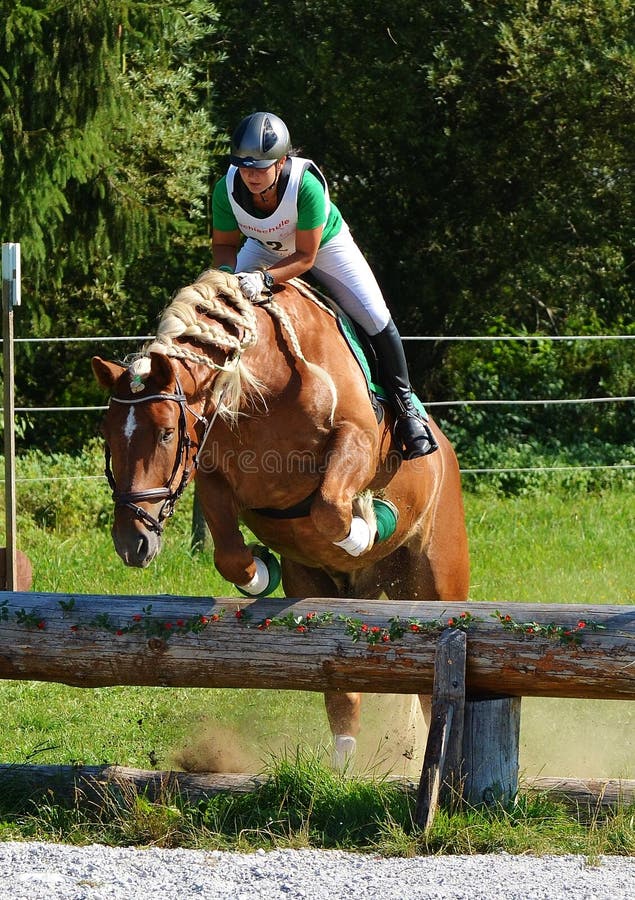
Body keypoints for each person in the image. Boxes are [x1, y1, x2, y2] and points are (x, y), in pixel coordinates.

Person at [211, 111, 438, 459]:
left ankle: (407, 411)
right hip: (262, 244)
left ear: (282, 161)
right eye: (244, 167)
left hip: (324, 245)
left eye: (260, 167)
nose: (251, 175)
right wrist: (229, 279)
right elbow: (224, 246)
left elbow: (305, 256)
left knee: (375, 315)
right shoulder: (226, 189)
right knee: (218, 303)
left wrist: (264, 278)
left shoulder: (306, 185)